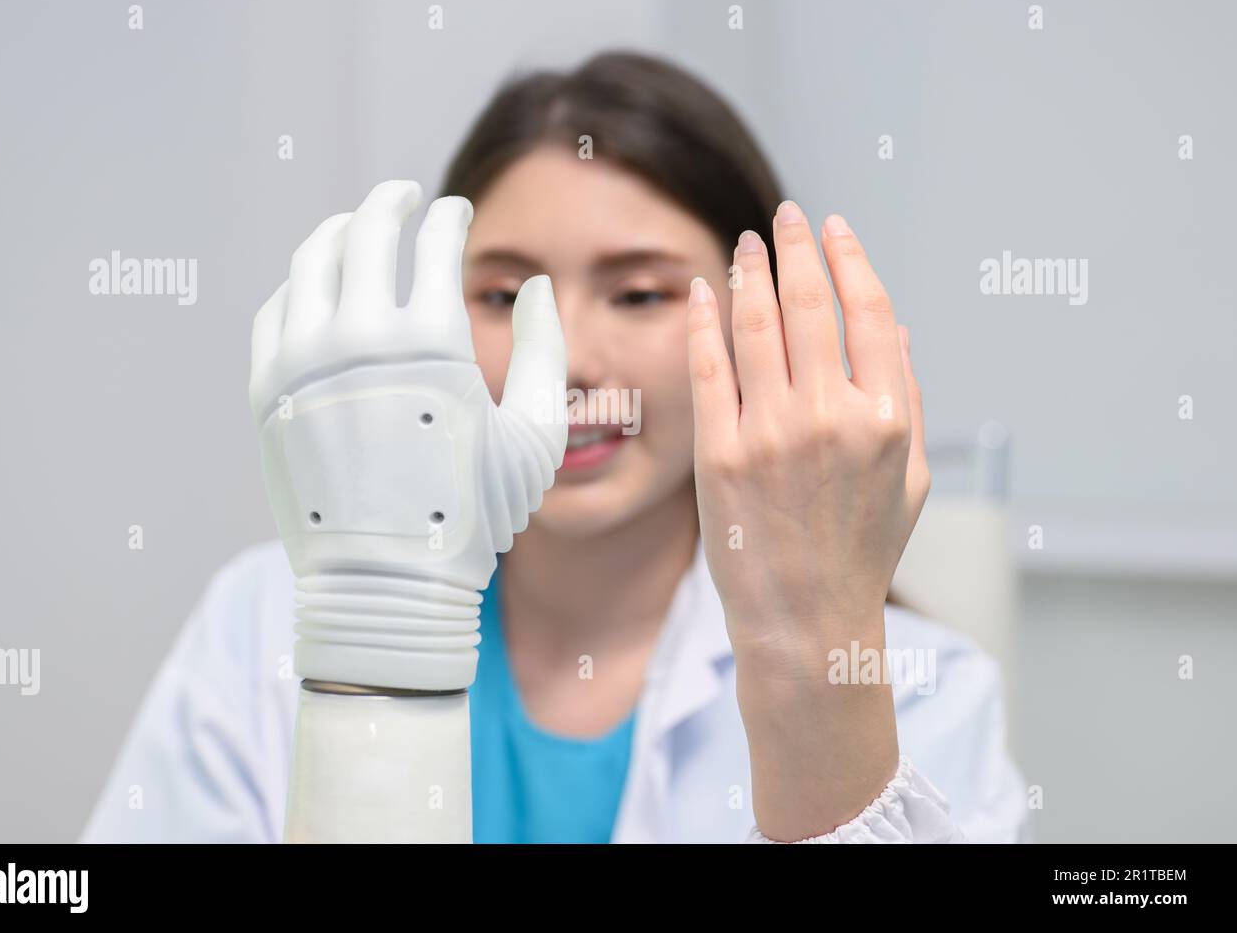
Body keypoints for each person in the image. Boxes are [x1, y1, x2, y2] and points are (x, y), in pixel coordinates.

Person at [80, 50, 1029, 844]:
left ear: (757, 324)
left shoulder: (908, 686)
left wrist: (813, 663)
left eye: (641, 294)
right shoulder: (267, 620)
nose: (565, 360)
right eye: (504, 297)